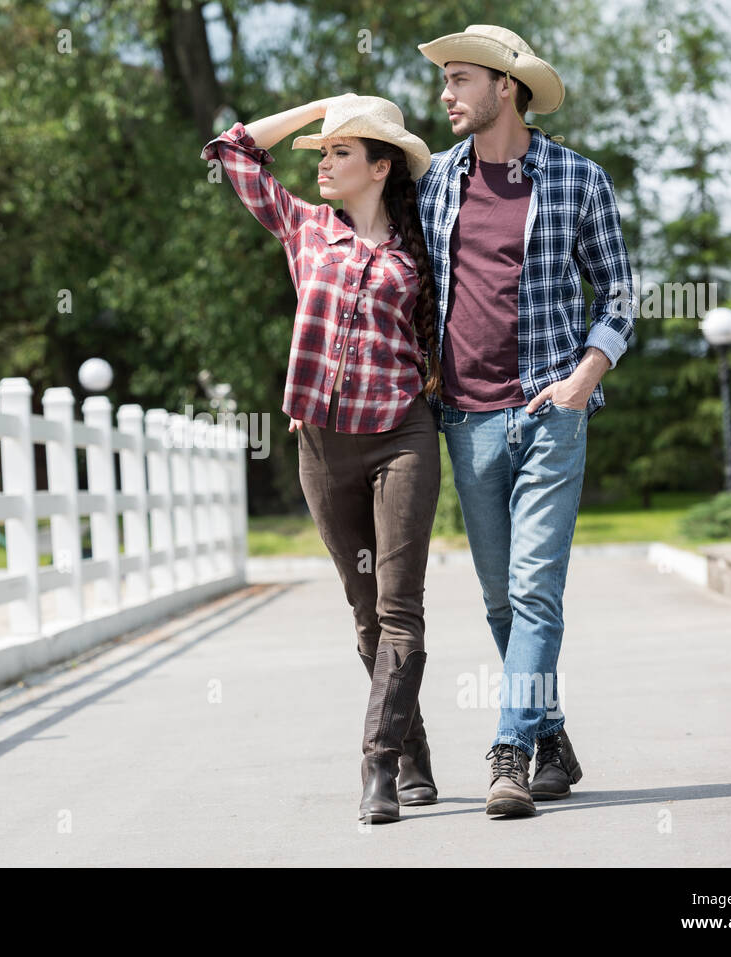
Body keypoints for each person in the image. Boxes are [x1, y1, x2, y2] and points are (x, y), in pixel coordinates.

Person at [413, 25, 638, 816]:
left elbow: (617, 297)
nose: (446, 94)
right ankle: (553, 737)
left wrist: (583, 379)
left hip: (550, 413)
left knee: (535, 591)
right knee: (501, 602)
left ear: (505, 86)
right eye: (445, 81)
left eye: (460, 79)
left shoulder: (577, 179)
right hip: (466, 420)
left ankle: (509, 751)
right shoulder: (436, 180)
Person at [200, 95, 443, 824]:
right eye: (324, 152)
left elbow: (439, 345)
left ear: (381, 165)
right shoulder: (303, 227)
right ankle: (412, 746)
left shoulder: (421, 251)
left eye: (341, 151)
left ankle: (376, 769)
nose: (326, 161)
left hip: (402, 435)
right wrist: (321, 110)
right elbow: (231, 149)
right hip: (321, 445)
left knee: (401, 608)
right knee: (365, 611)